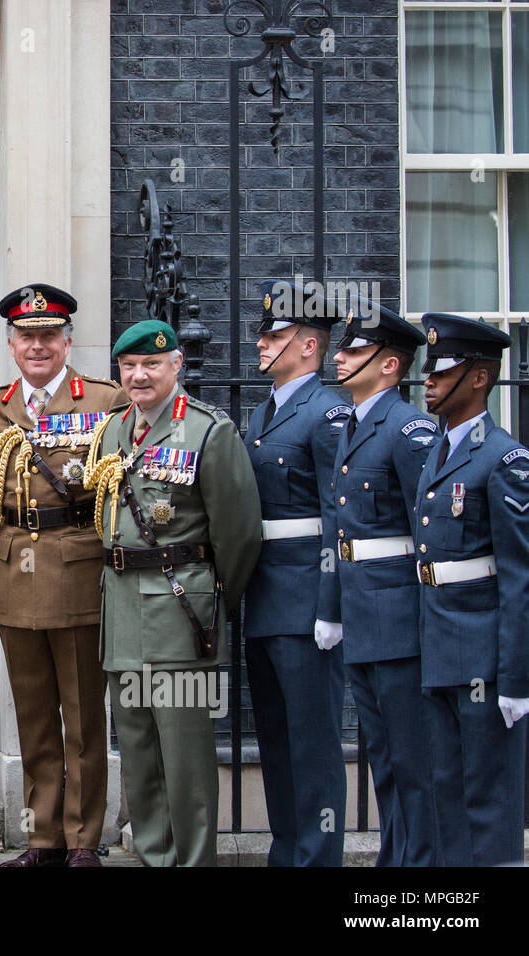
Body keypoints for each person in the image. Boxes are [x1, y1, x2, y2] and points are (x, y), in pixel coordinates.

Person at [87, 319, 261, 866]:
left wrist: (215, 601)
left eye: (151, 365)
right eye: (129, 367)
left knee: (185, 758)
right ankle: (155, 857)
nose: (139, 376)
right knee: (136, 753)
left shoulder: (209, 431)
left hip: (182, 616)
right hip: (121, 614)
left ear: (176, 365)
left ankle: (192, 862)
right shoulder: (112, 431)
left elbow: (238, 533)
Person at [0, 282, 122, 867]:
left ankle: (83, 842)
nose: (38, 346)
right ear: (11, 343)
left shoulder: (103, 400)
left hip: (77, 561)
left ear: (67, 340)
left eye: (49, 336)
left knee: (83, 714)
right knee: (32, 716)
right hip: (15, 567)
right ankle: (43, 839)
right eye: (27, 336)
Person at [414, 313, 529, 866]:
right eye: (428, 368)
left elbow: (519, 577)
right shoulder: (438, 451)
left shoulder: (503, 460)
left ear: (478, 378)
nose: (428, 379)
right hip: (439, 647)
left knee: (489, 796)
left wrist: (516, 678)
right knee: (446, 793)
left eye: (443, 369)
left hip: (483, 654)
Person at [326, 299, 438, 866]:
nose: (339, 358)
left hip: (400, 614)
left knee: (414, 761)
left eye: (353, 350)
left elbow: (432, 531)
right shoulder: (355, 423)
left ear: (390, 365)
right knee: (386, 759)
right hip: (364, 609)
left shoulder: (409, 429)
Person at [243, 280, 348, 867]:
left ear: (309, 346)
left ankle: (317, 859)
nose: (262, 345)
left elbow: (339, 516)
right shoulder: (263, 412)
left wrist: (331, 605)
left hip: (308, 597)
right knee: (276, 742)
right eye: (263, 334)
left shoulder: (329, 414)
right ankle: (287, 854)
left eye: (276, 336)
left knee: (313, 745)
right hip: (265, 595)